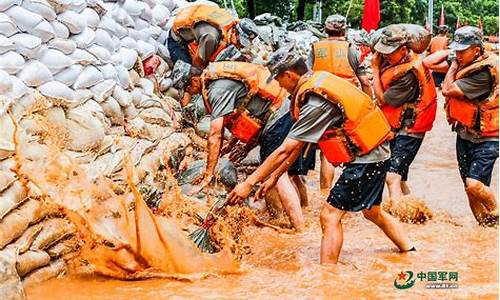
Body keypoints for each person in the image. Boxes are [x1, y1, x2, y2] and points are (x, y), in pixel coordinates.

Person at [227, 44, 415, 264]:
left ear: (289, 75)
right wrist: (275, 177)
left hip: (367, 158)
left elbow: (286, 148)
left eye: (279, 80)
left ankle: (327, 279)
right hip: (373, 153)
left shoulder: (315, 101)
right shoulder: (317, 80)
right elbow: (298, 145)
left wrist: (248, 183)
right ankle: (409, 250)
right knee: (372, 212)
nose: (279, 86)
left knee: (329, 216)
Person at [171, 58, 314, 231]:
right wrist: (240, 145)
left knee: (275, 176)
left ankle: (299, 230)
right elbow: (246, 109)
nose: (191, 93)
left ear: (194, 80)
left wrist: (209, 174)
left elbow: (215, 134)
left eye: (188, 88)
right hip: (284, 111)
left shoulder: (216, 89)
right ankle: (305, 211)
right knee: (290, 173)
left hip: (277, 118)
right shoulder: (219, 81)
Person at [423, 26, 499, 226]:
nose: (458, 54)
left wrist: (454, 65)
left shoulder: (482, 72)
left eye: (462, 50)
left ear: (477, 50)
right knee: (470, 190)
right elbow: (427, 62)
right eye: (456, 49)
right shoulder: (462, 61)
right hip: (464, 134)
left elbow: (447, 90)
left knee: (474, 184)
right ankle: (487, 231)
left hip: (487, 138)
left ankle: (497, 212)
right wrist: (454, 54)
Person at [371, 26, 437, 208]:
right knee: (398, 179)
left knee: (392, 176)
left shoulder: (407, 74)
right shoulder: (399, 62)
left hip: (410, 130)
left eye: (389, 53)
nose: (385, 57)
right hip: (399, 127)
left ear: (402, 49)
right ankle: (414, 214)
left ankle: (397, 221)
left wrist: (375, 69)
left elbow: (382, 100)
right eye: (382, 53)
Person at [308, 15, 372, 194]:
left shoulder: (315, 48)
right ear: (344, 30)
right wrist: (370, 107)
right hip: (346, 104)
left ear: (326, 30)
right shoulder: (352, 50)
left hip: (320, 103)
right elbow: (365, 82)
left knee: (327, 149)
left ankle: (325, 192)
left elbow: (306, 77)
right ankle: (348, 192)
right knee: (353, 146)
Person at [167, 3, 258, 69]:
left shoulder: (231, 22)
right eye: (241, 41)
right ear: (238, 33)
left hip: (197, 31)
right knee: (190, 72)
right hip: (178, 40)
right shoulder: (210, 37)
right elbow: (199, 62)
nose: (241, 44)